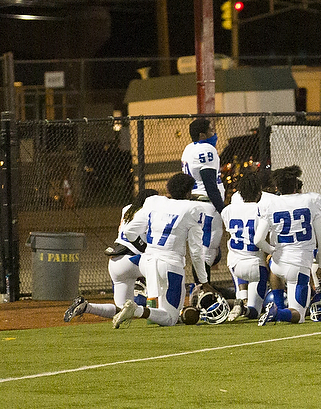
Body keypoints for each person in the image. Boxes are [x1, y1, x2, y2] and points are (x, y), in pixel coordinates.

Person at [112, 173, 208, 329]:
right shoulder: (193, 209)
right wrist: (203, 281)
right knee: (171, 318)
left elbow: (130, 231)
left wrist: (147, 248)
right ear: (187, 193)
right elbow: (196, 251)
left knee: (163, 311)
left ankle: (138, 308)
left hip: (147, 262)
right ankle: (136, 310)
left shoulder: (154, 202)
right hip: (170, 265)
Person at [65, 189, 155, 323]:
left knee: (123, 310)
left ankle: (86, 307)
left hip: (115, 262)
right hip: (133, 260)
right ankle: (169, 311)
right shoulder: (148, 211)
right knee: (165, 268)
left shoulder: (127, 209)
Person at [255, 165, 321, 325]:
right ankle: (278, 312)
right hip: (299, 265)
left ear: (277, 187)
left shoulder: (269, 203)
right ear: (296, 184)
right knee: (298, 316)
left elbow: (258, 240)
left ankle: (278, 307)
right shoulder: (310, 200)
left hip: (278, 264)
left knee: (275, 269)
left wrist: (272, 251)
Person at [221, 171, 270, 320]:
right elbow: (263, 239)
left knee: (235, 254)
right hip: (256, 265)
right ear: (259, 192)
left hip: (235, 264)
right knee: (254, 312)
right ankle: (245, 309)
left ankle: (239, 300)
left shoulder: (227, 210)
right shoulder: (262, 210)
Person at [181, 117, 226, 277]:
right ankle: (201, 287)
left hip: (196, 203)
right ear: (202, 135)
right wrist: (223, 211)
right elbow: (210, 184)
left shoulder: (189, 148)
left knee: (206, 251)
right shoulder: (206, 149)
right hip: (207, 204)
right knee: (207, 252)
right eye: (211, 130)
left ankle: (201, 286)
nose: (214, 134)